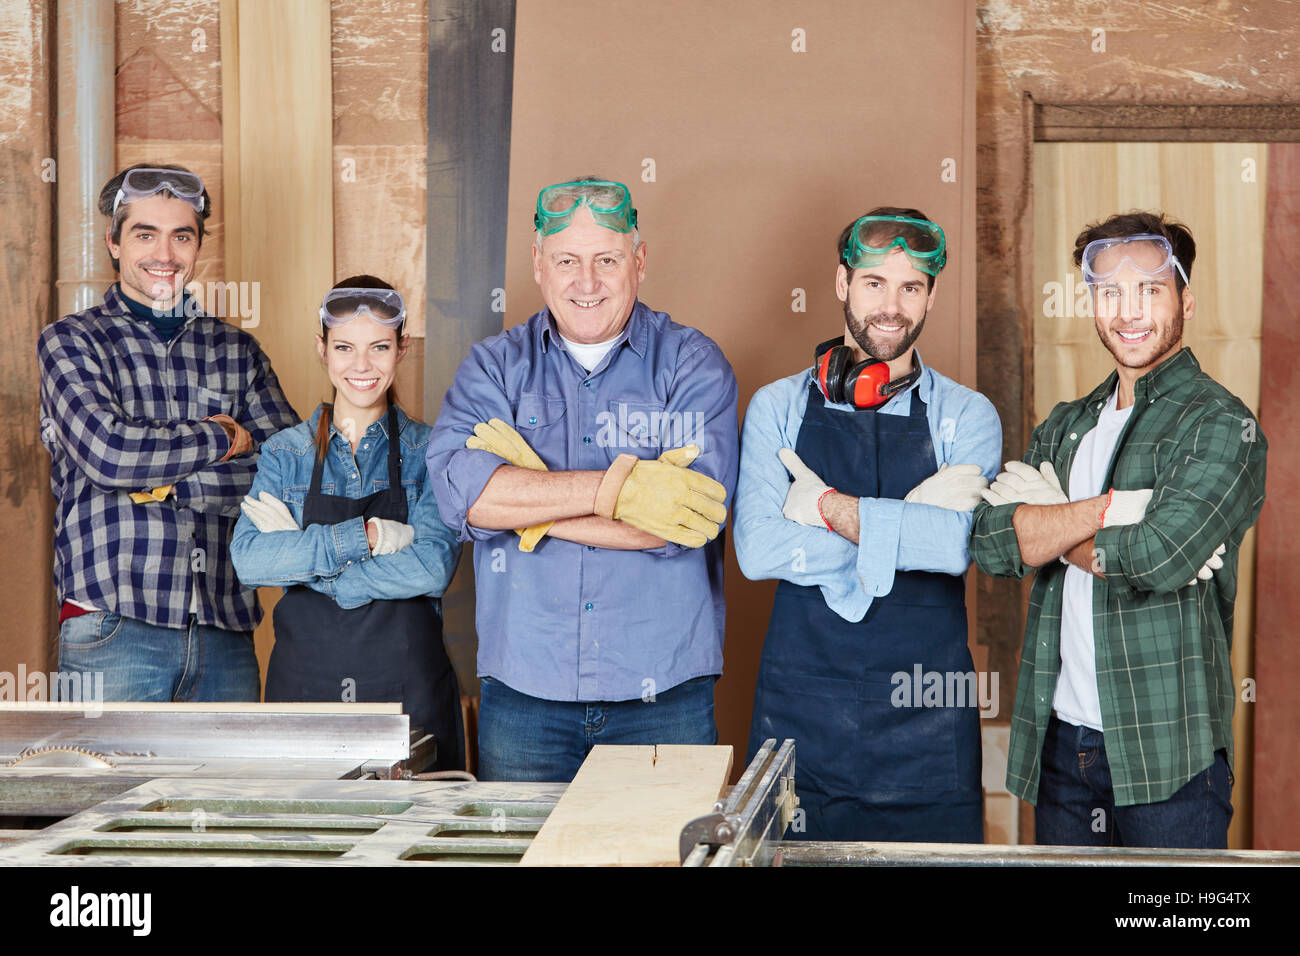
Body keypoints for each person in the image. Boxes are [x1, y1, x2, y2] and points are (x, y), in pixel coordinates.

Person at [969, 211, 1267, 848]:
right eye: (1109, 293)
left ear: (1185, 298)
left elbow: (1158, 558)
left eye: (1149, 291)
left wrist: (1049, 517)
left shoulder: (1220, 425)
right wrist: (1111, 510)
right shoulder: (1067, 423)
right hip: (1063, 745)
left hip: (1169, 750)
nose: (1128, 312)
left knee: (1170, 922)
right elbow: (993, 542)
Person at [426, 177, 739, 782]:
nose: (586, 281)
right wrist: (613, 491)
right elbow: (461, 497)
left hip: (664, 697)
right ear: (538, 264)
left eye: (607, 260)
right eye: (567, 260)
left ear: (639, 262)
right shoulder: (493, 367)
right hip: (524, 697)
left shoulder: (692, 363)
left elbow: (686, 519)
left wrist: (528, 501)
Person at [734, 208, 1002, 843]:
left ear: (932, 294)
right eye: (874, 283)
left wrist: (826, 508)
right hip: (802, 708)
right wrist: (905, 531)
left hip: (928, 721)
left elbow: (956, 548)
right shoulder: (777, 405)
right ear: (840, 283)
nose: (891, 305)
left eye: (911, 287)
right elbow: (758, 549)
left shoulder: (968, 414)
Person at [37, 164, 299, 702]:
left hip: (226, 633)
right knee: (106, 789)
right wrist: (221, 438)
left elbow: (290, 474)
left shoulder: (238, 352)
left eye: (182, 235)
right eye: (144, 234)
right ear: (113, 241)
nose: (166, 253)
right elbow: (110, 455)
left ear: (199, 244)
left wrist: (178, 487)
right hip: (112, 628)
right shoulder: (71, 342)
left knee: (229, 791)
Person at [231, 277, 464, 769]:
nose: (362, 366)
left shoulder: (433, 451)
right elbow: (250, 561)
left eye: (379, 347)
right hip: (303, 694)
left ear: (401, 349)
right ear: (322, 349)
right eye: (344, 347)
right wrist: (367, 535)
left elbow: (431, 568)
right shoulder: (286, 454)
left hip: (411, 699)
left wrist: (311, 565)